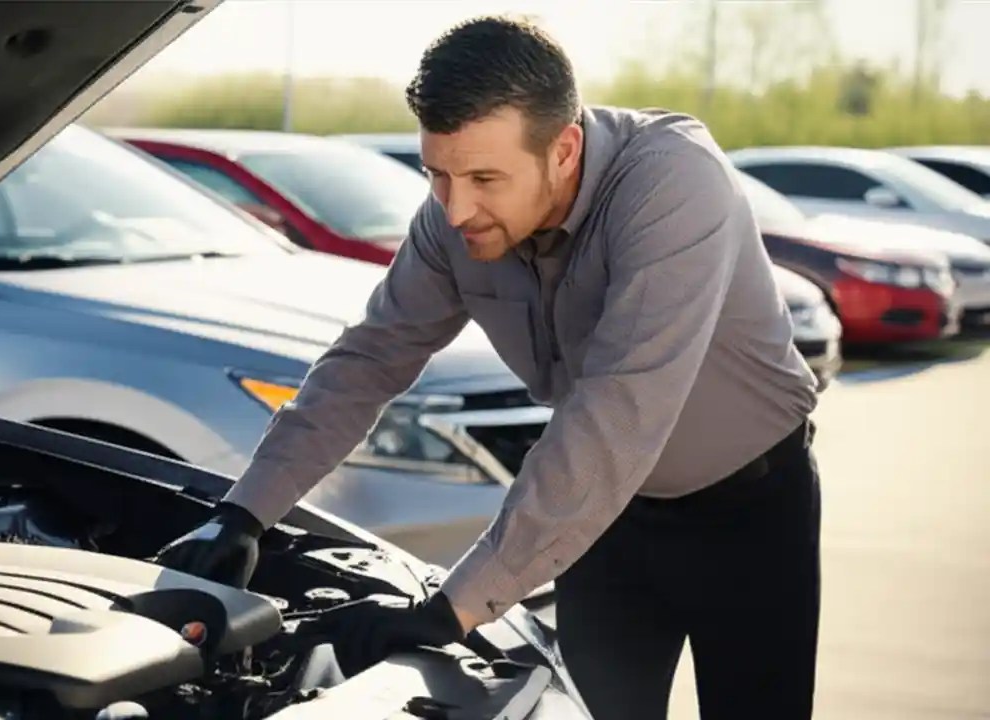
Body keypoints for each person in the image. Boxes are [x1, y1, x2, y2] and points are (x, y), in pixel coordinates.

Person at [156, 15, 822, 720]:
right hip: (604, 523)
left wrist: (453, 609)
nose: (456, 206)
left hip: (748, 519)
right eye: (437, 174)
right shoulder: (452, 215)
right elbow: (371, 357)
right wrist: (244, 514)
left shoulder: (673, 183)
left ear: (564, 150)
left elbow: (616, 410)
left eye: (483, 177)